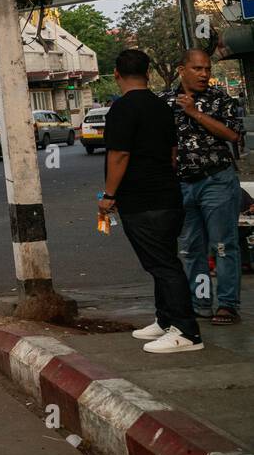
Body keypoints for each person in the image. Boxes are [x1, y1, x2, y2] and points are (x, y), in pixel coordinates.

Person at [99, 49, 202, 353]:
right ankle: (166, 319)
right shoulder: (161, 106)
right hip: (168, 195)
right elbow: (172, 154)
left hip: (142, 201)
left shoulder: (121, 109)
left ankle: (187, 332)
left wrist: (108, 196)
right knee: (163, 260)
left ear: (117, 74)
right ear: (147, 72)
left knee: (164, 265)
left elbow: (119, 155)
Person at [160, 49, 244, 325]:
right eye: (198, 69)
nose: (204, 74)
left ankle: (228, 304)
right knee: (193, 249)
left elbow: (232, 134)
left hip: (217, 180)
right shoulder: (163, 102)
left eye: (207, 69)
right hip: (183, 185)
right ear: (181, 69)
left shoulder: (220, 100)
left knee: (223, 245)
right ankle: (202, 303)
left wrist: (194, 113)